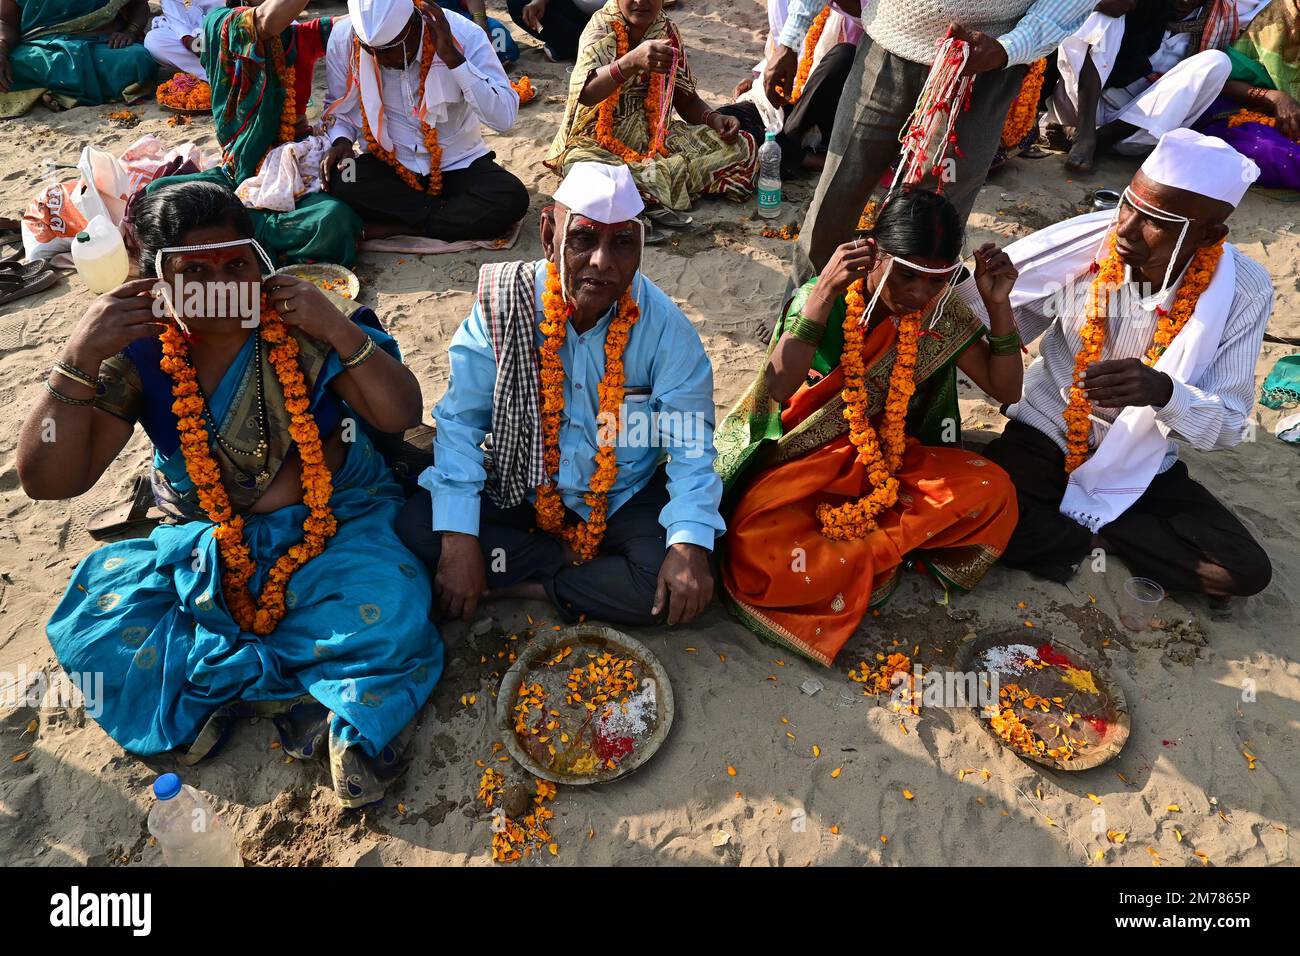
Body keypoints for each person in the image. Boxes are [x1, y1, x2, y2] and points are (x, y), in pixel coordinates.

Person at [17, 180, 443, 807]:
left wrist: (338, 329)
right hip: (207, 543)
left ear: (260, 261)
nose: (221, 284)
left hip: (335, 525)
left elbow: (398, 412)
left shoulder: (302, 319)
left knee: (396, 602)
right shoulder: (138, 350)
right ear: (157, 277)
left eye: (236, 263)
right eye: (195, 270)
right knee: (96, 628)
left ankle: (261, 694)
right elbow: (49, 480)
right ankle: (295, 695)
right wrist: (76, 358)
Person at [398, 162, 724, 627]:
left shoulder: (666, 328)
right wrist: (457, 542)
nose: (602, 262)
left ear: (641, 251)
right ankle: (573, 573)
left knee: (671, 583)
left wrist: (689, 545)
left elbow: (691, 447)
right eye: (585, 239)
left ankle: (527, 583)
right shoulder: (505, 303)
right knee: (419, 527)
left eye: (622, 244)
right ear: (549, 232)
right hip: (522, 483)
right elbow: (462, 422)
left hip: (620, 494)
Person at [716, 188, 1022, 666]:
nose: (917, 294)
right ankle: (885, 549)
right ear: (873, 253)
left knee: (994, 489)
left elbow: (1006, 390)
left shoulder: (936, 313)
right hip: (810, 460)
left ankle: (867, 550)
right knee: (758, 547)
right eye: (906, 276)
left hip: (894, 460)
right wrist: (819, 298)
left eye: (935, 281)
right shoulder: (826, 298)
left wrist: (998, 304)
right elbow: (777, 389)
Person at [980, 129, 1273, 601]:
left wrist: (1163, 392)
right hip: (1045, 436)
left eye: (1155, 219)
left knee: (1242, 571)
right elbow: (994, 321)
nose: (1125, 229)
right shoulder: (1088, 248)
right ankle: (1100, 532)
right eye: (1127, 205)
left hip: (1140, 462)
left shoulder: (1244, 290)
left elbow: (1229, 425)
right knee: (972, 518)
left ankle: (1084, 532)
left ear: (1209, 235)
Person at [763, 0, 1096, 317]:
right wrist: (790, 38)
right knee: (837, 193)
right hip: (887, 46)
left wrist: (1008, 48)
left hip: (985, 65)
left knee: (934, 220)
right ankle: (798, 317)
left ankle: (895, 344)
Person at [144, 0, 364, 266]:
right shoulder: (224, 24)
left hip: (295, 165)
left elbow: (355, 22)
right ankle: (247, 231)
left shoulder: (300, 36)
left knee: (334, 218)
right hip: (240, 170)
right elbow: (265, 20)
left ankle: (233, 232)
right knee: (157, 192)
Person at [322, 0, 529, 243]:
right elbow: (340, 108)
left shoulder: (464, 34)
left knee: (510, 197)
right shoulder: (344, 37)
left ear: (414, 24)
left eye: (390, 48)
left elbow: (503, 117)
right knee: (344, 179)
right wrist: (342, 141)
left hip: (458, 164)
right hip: (389, 164)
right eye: (371, 51)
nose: (380, 59)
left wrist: (454, 59)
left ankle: (403, 227)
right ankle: (444, 218)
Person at [545, 0, 758, 224]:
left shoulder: (667, 31)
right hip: (595, 141)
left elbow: (686, 99)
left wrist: (714, 119)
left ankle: (639, 194)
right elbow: (586, 93)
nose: (640, 1)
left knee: (744, 146)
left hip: (656, 136)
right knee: (585, 171)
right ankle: (652, 190)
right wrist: (629, 63)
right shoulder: (602, 27)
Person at [1049, 0, 1238, 173]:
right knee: (1106, 11)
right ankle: (1085, 135)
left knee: (1218, 61)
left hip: (1137, 134)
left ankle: (1102, 138)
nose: (1186, 1)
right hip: (1082, 107)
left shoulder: (1219, 18)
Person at [719, 0, 862, 179]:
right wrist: (761, 73)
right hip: (784, 96)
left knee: (843, 56)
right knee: (724, 120)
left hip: (827, 104)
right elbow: (779, 45)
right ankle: (804, 158)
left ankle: (789, 148)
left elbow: (870, 22)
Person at [1195, 0, 1300, 190]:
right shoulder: (1270, 25)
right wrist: (1274, 97)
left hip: (1293, 124)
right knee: (1274, 152)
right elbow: (1220, 81)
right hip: (1243, 113)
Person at [0, 0, 157, 116]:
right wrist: (2, 49)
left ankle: (54, 91)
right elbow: (5, 21)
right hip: (40, 47)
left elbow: (139, 4)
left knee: (138, 59)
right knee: (10, 65)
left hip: (100, 41)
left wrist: (130, 31)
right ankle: (62, 92)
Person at [143, 0, 224, 81]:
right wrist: (189, 41)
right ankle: (217, 76)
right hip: (195, 38)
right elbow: (177, 21)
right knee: (154, 41)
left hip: (226, 30)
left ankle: (228, 73)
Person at [509, 0, 599, 61]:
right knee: (518, 3)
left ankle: (574, 46)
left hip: (606, 21)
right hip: (576, 13)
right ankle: (573, 44)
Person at [440, 0, 520, 67]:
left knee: (497, 31)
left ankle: (497, 61)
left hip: (461, 15)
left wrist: (482, 27)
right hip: (435, 20)